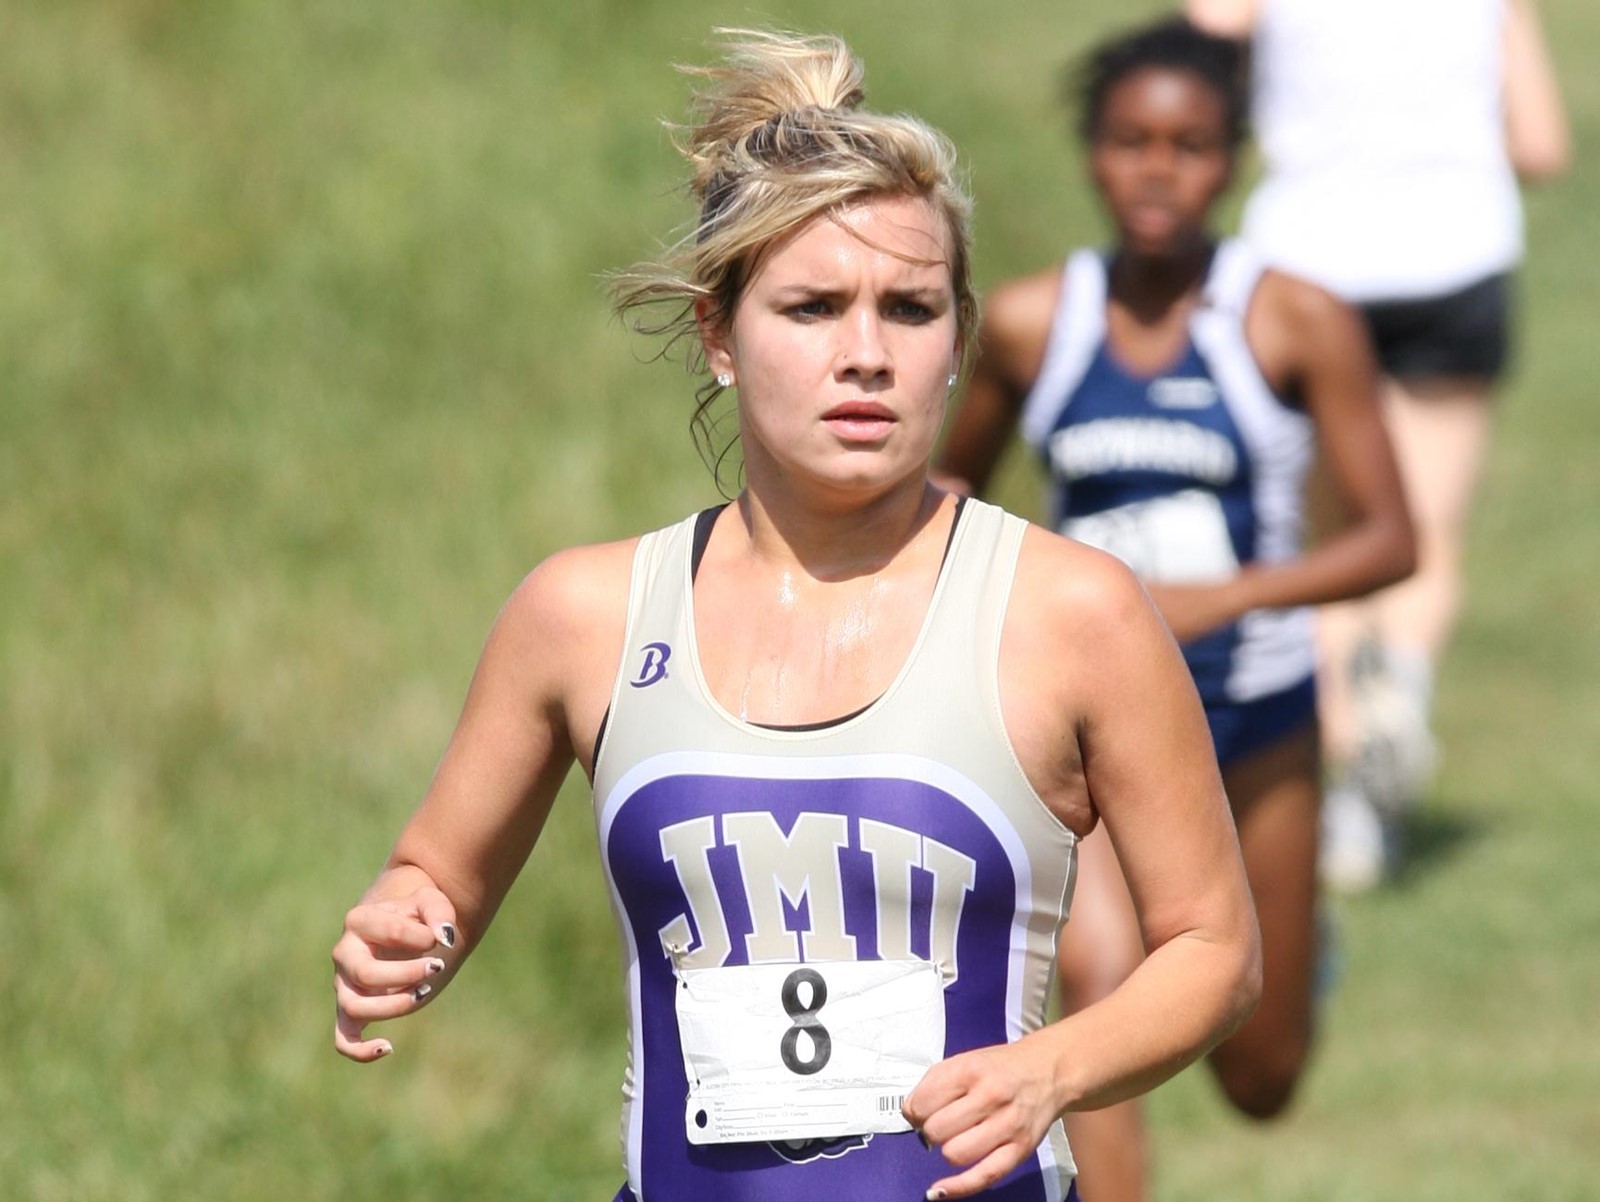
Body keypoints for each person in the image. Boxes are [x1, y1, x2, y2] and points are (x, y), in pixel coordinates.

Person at [330, 28, 1261, 1202]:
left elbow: (1214, 948)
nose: (865, 354)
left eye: (911, 310)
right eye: (813, 307)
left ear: (960, 337)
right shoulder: (583, 614)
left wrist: (1049, 1070)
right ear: (720, 338)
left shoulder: (1071, 610)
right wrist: (397, 931)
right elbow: (431, 879)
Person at [935, 19, 1414, 1202]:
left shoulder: (1291, 320)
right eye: (1132, 142)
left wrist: (1231, 595)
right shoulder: (1038, 324)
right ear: (1092, 153)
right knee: (1098, 976)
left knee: (1260, 1072)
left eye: (1192, 145)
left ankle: (1299, 958)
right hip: (1087, 726)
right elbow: (946, 489)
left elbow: (1390, 535)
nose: (1160, 169)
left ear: (1233, 159)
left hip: (1255, 716)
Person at [1186, 0, 1572, 889]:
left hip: (1309, 259)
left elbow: (1200, 47)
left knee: (1330, 547)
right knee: (1425, 536)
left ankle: (1340, 781)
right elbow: (1543, 143)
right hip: (1456, 253)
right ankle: (1394, 705)